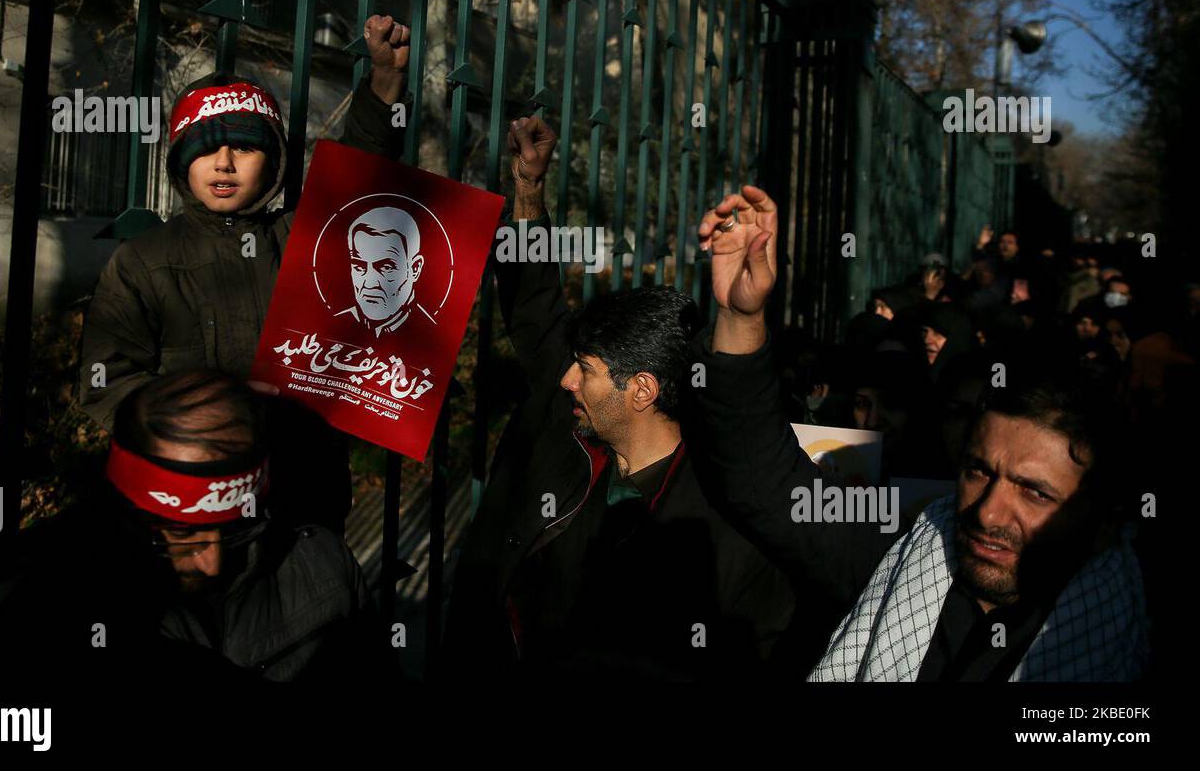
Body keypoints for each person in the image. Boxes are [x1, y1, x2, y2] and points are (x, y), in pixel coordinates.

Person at [688, 183, 1150, 681]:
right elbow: (763, 483)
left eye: (1035, 493)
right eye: (978, 470)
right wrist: (740, 315)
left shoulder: (1125, 635)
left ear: (1102, 521)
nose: (988, 510)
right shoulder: (911, 544)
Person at [444, 116, 797, 680]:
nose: (566, 380)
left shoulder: (720, 519)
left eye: (585, 370)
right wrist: (528, 190)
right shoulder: (570, 420)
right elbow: (535, 304)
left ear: (642, 389)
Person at [79, 15, 411, 531]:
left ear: (273, 160)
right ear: (181, 162)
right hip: (196, 509)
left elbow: (363, 183)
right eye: (206, 147)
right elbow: (104, 383)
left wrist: (384, 85)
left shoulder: (309, 240)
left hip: (307, 501)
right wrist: (210, 410)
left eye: (246, 146)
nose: (225, 162)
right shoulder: (143, 262)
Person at [0, 371, 387, 684]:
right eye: (181, 533)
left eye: (236, 530)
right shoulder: (38, 606)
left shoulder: (321, 563)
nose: (212, 562)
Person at [335, 205, 436, 337]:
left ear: (414, 269)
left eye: (386, 268)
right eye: (359, 267)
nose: (370, 284)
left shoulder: (430, 335)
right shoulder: (329, 325)